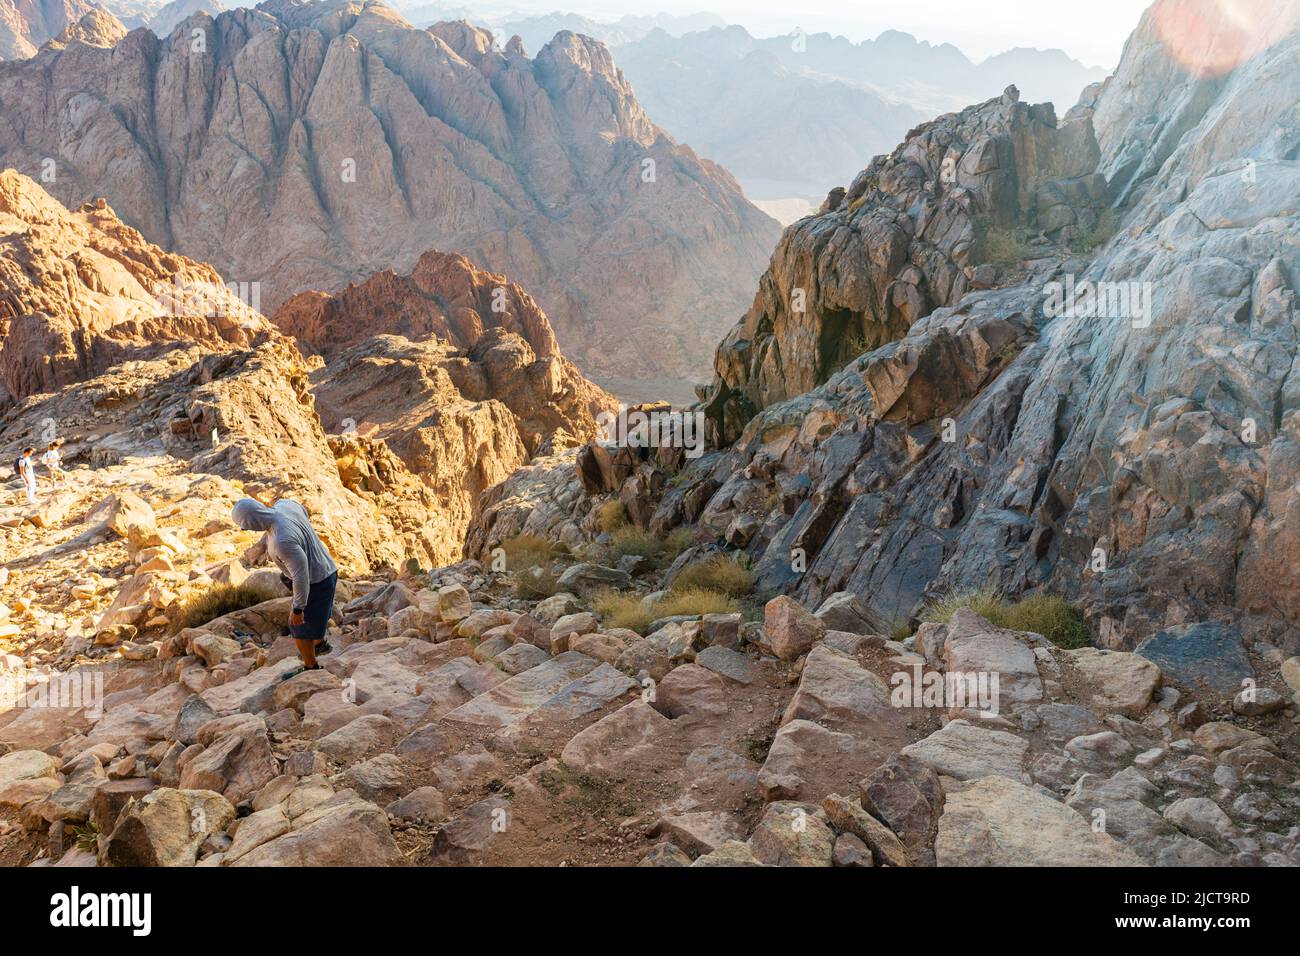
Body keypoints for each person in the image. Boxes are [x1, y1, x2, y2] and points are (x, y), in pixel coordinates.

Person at [231, 498, 339, 677]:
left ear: (252, 522)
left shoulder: (282, 541)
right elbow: (303, 512)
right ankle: (318, 645)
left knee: (298, 626)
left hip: (316, 580)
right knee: (318, 614)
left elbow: (301, 576)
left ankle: (311, 668)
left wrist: (298, 608)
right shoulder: (284, 506)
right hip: (327, 567)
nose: (245, 530)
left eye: (245, 526)